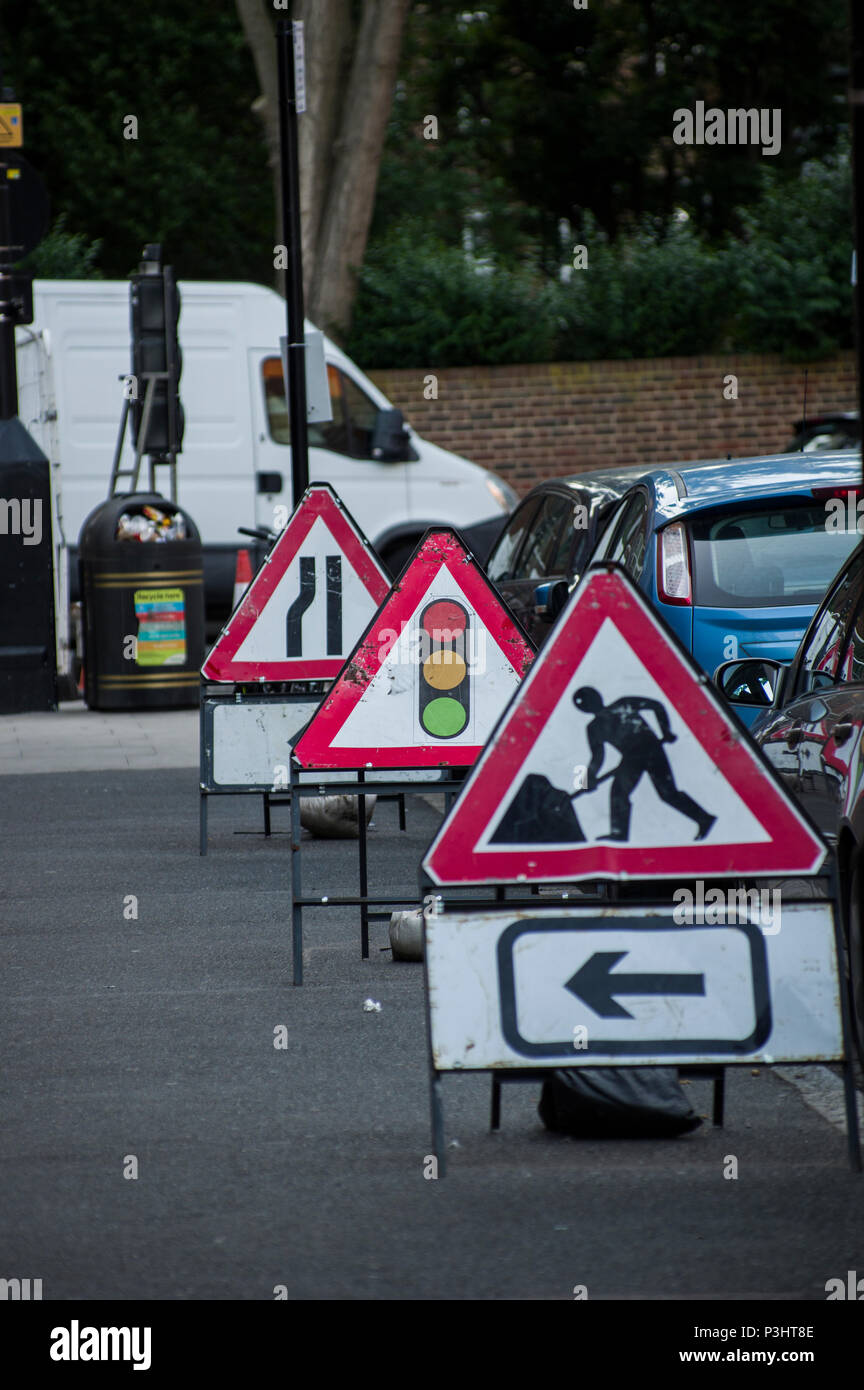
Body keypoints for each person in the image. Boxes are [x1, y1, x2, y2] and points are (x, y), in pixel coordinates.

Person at [572, 686, 715, 841]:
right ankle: (619, 833)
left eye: (591, 700)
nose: (591, 705)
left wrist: (665, 731)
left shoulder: (623, 704)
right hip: (631, 758)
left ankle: (704, 818)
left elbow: (656, 706)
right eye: (586, 703)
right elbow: (597, 757)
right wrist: (588, 779)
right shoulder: (594, 728)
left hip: (651, 748)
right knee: (619, 793)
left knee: (667, 793)